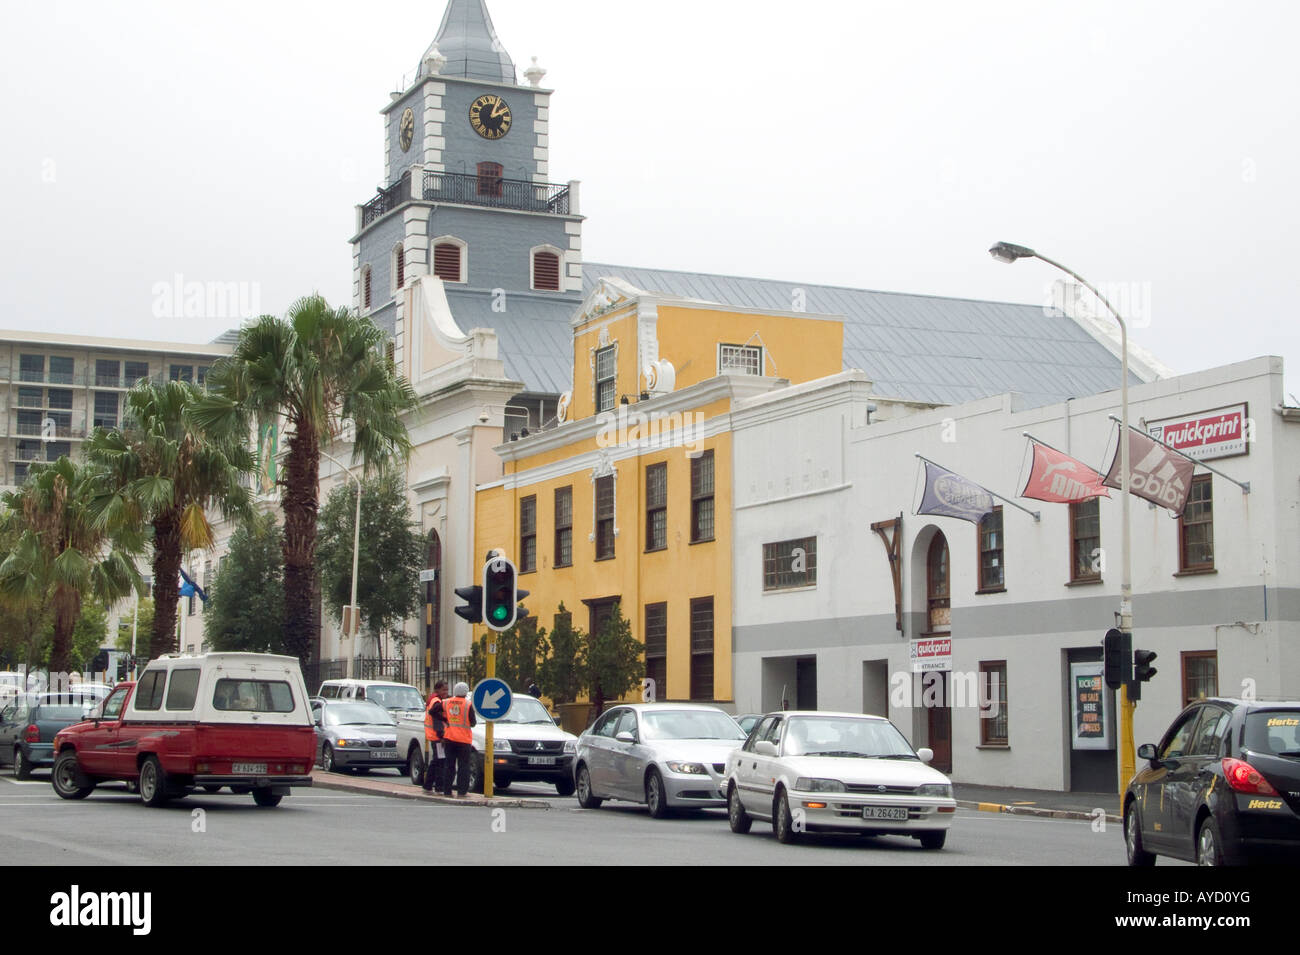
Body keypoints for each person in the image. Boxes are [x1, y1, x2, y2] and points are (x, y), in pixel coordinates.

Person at [433, 681, 476, 797]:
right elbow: (473, 723)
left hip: (449, 739)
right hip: (464, 740)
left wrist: (445, 719)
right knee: (463, 766)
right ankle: (462, 792)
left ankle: (447, 791)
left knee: (449, 765)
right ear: (466, 692)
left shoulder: (447, 702)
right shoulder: (468, 704)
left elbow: (432, 711)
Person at [421, 680, 449, 793]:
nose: (446, 692)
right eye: (443, 690)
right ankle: (438, 787)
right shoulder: (437, 702)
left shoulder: (433, 700)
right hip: (438, 737)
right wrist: (441, 736)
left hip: (433, 736)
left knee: (436, 761)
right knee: (440, 762)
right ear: (437, 690)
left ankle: (428, 785)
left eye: (447, 690)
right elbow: (437, 720)